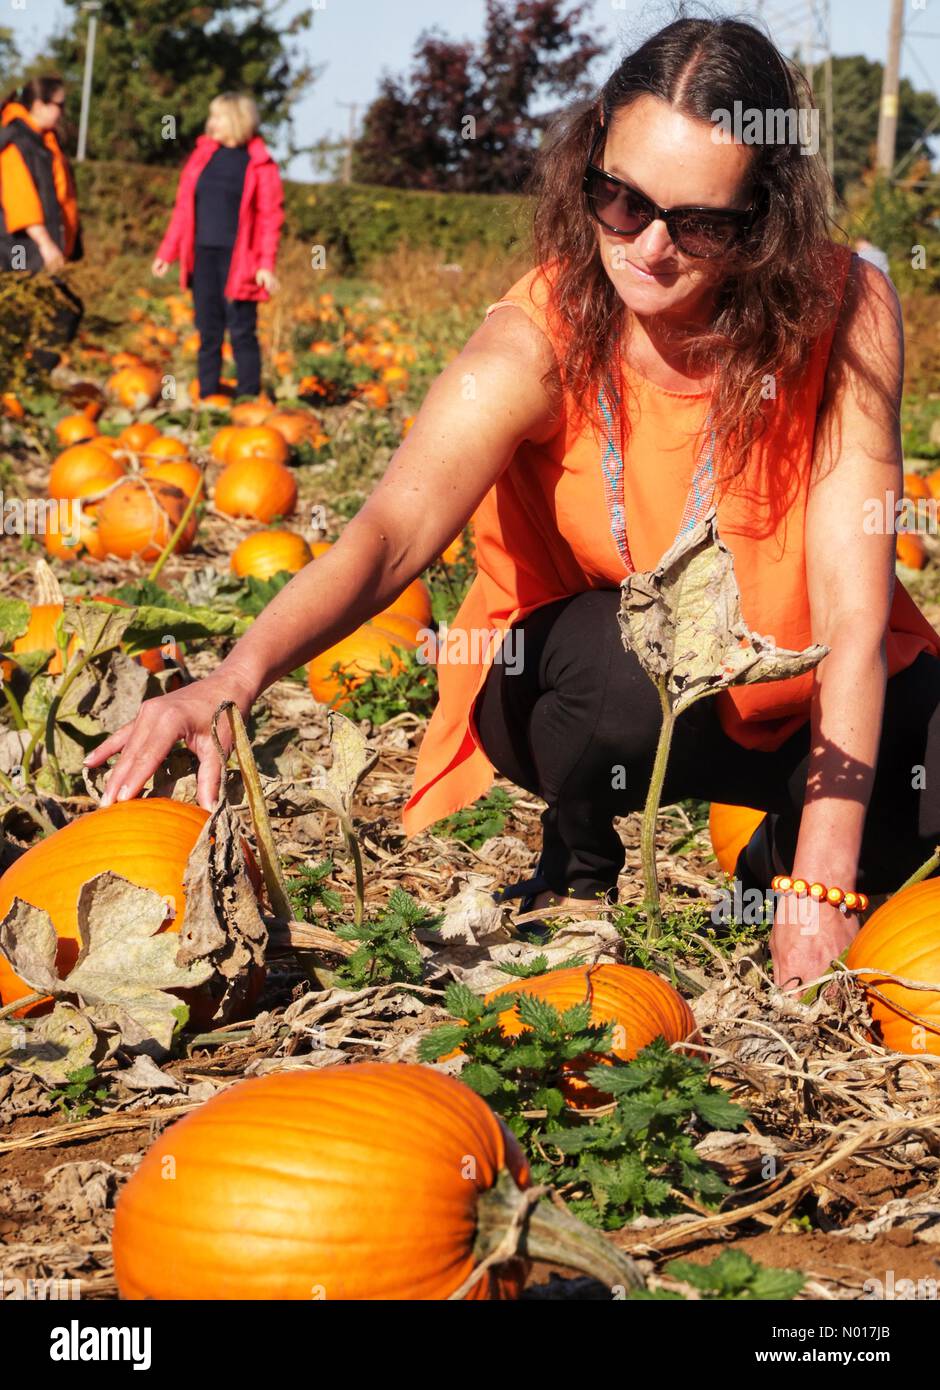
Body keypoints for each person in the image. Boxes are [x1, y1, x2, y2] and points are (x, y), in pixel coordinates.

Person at [87, 17, 940, 992]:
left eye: (699, 222)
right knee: (622, 673)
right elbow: (388, 537)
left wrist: (821, 882)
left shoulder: (846, 306)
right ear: (589, 171)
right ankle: (575, 861)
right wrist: (233, 679)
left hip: (794, 689)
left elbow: (853, 611)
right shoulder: (539, 337)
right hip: (594, 685)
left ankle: (777, 860)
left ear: (767, 218)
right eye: (620, 201)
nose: (650, 248)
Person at [152, 92, 284, 400]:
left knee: (241, 331)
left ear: (238, 120)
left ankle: (248, 398)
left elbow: (270, 217)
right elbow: (184, 210)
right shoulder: (202, 156)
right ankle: (207, 396)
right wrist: (167, 252)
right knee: (208, 331)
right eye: (212, 117)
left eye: (219, 117)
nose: (211, 123)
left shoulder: (260, 164)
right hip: (203, 256)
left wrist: (266, 264)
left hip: (242, 261)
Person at [0, 75, 84, 370]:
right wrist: (47, 246)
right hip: (19, 249)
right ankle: (26, 379)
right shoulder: (16, 140)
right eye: (59, 105)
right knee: (47, 312)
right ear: (39, 104)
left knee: (34, 315)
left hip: (33, 247)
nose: (62, 112)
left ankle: (23, 381)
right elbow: (19, 200)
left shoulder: (42, 140)